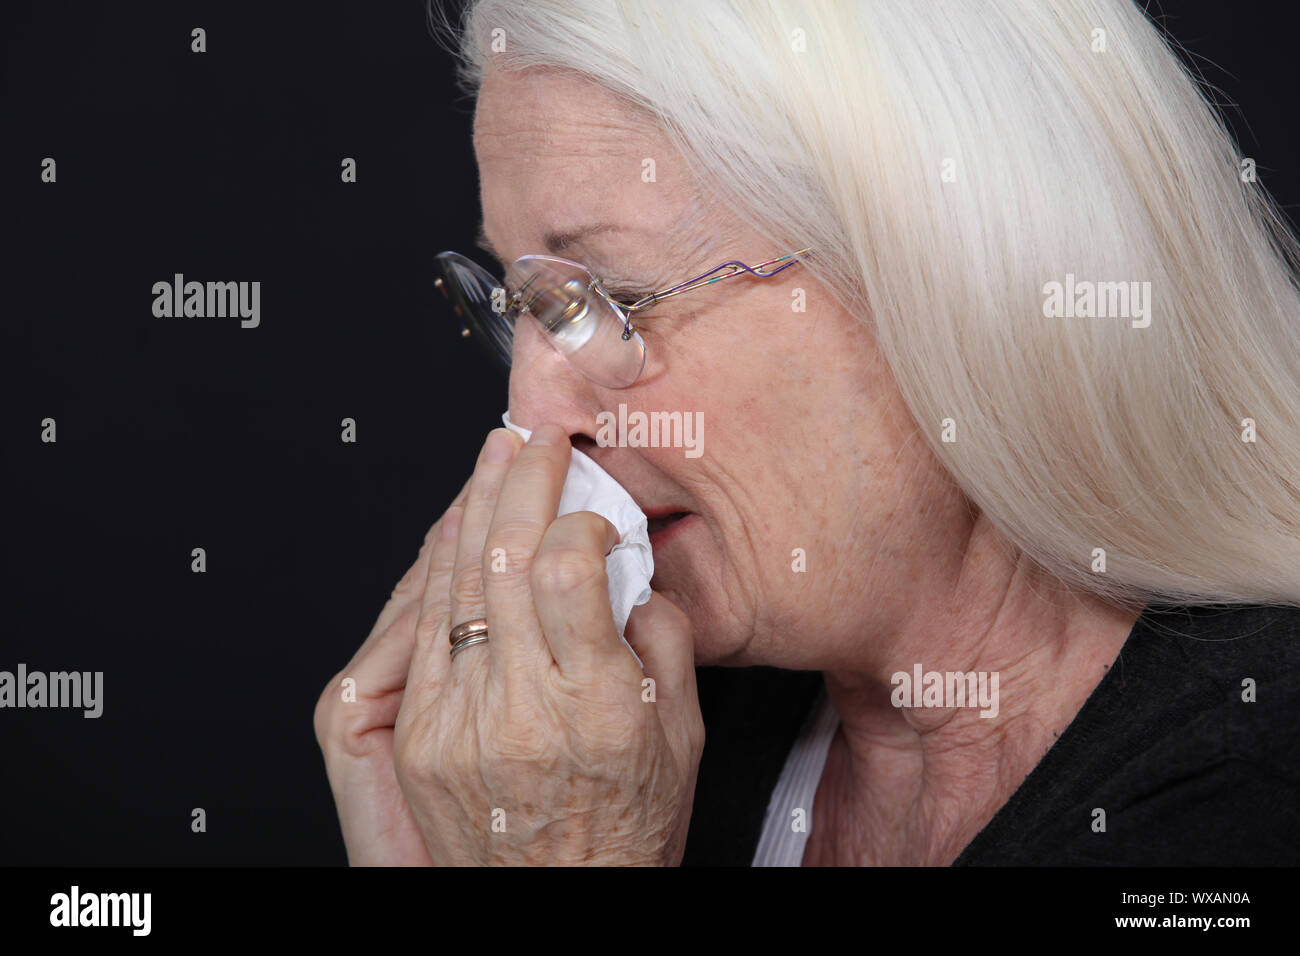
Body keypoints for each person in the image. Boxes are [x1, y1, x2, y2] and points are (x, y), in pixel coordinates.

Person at [315, 0, 1300, 865]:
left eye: (609, 295)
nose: (532, 413)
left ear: (954, 287)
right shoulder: (619, 734)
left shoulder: (1245, 803)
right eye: (521, 302)